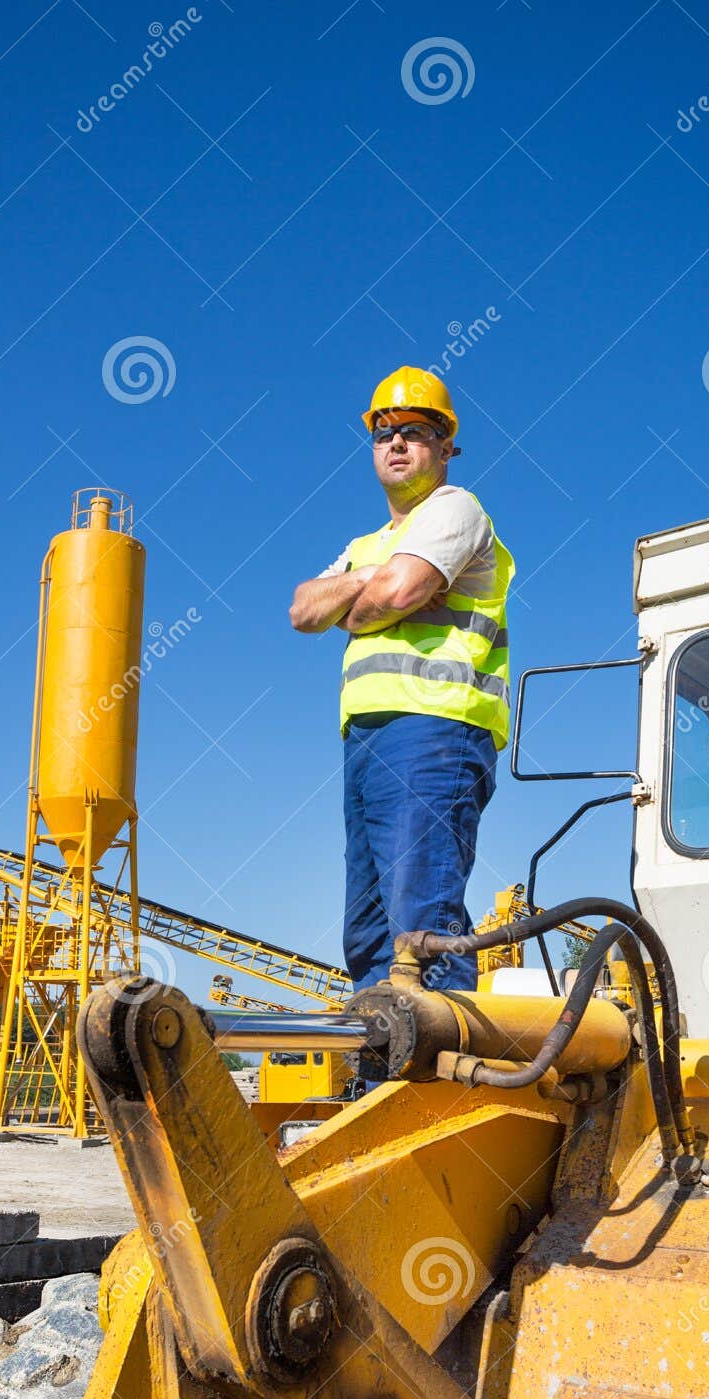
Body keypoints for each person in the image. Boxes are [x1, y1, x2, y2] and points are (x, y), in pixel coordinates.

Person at [290, 367, 514, 992]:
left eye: (415, 431)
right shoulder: (369, 542)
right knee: (367, 934)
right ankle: (384, 1070)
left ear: (446, 448)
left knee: (423, 921)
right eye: (384, 431)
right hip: (366, 739)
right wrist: (371, 583)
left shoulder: (455, 509)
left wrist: (361, 598)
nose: (395, 443)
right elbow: (304, 610)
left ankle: (445, 1085)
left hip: (435, 731)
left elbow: (396, 591)